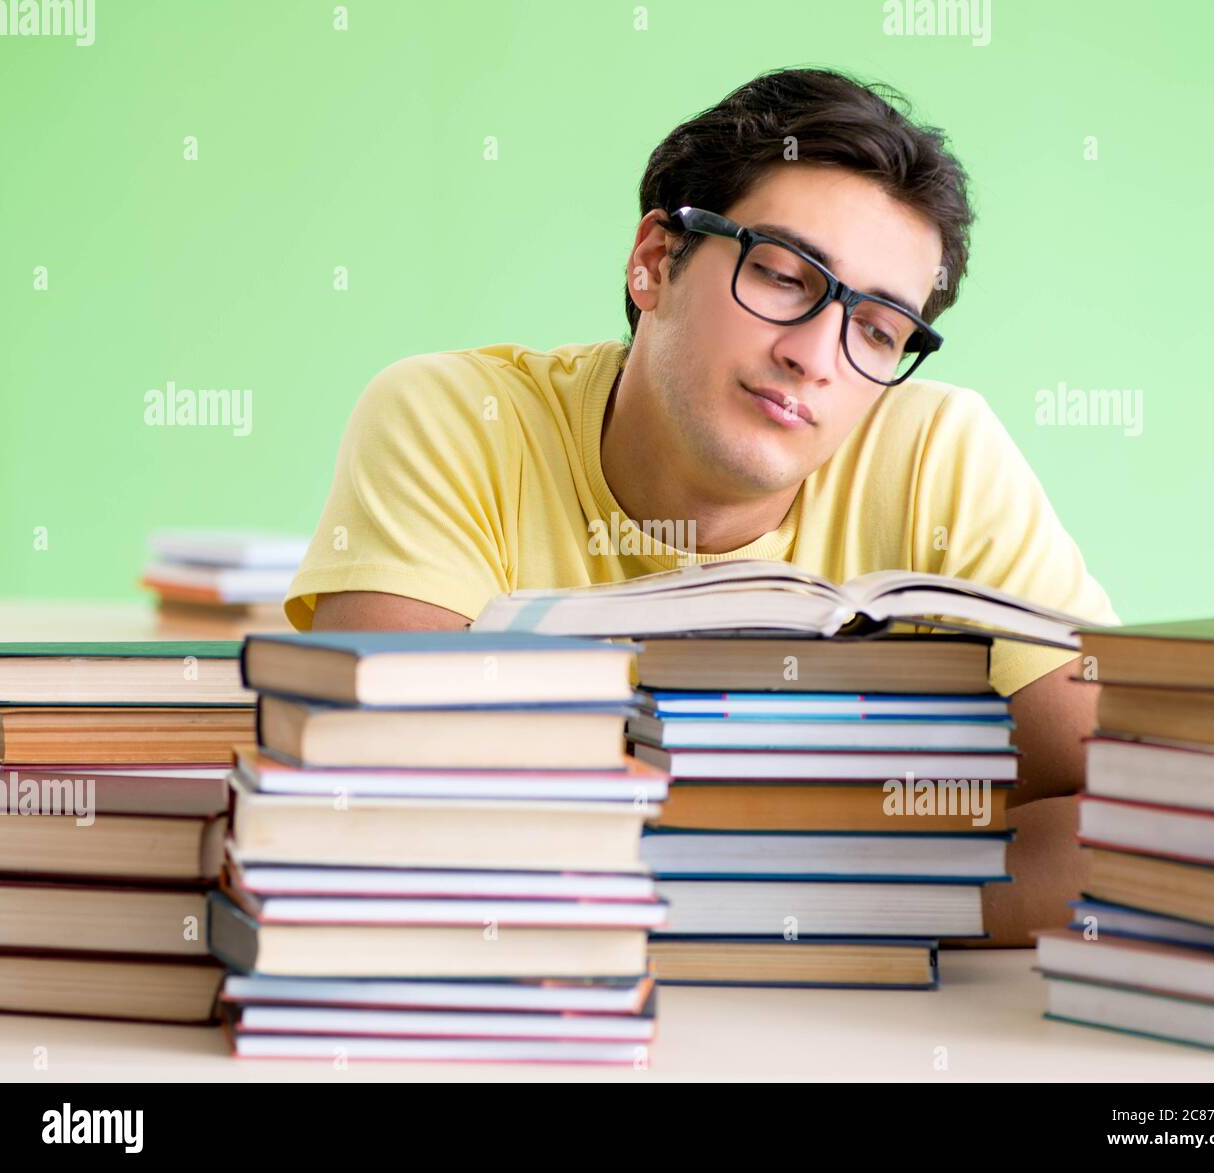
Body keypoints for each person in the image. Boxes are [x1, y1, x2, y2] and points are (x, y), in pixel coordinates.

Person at [284, 67, 1119, 945]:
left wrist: (791, 897)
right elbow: (376, 783)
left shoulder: (938, 455)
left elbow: (1135, 814)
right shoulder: (456, 417)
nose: (817, 355)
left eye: (877, 328)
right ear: (655, 262)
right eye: (786, 276)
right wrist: (854, 851)